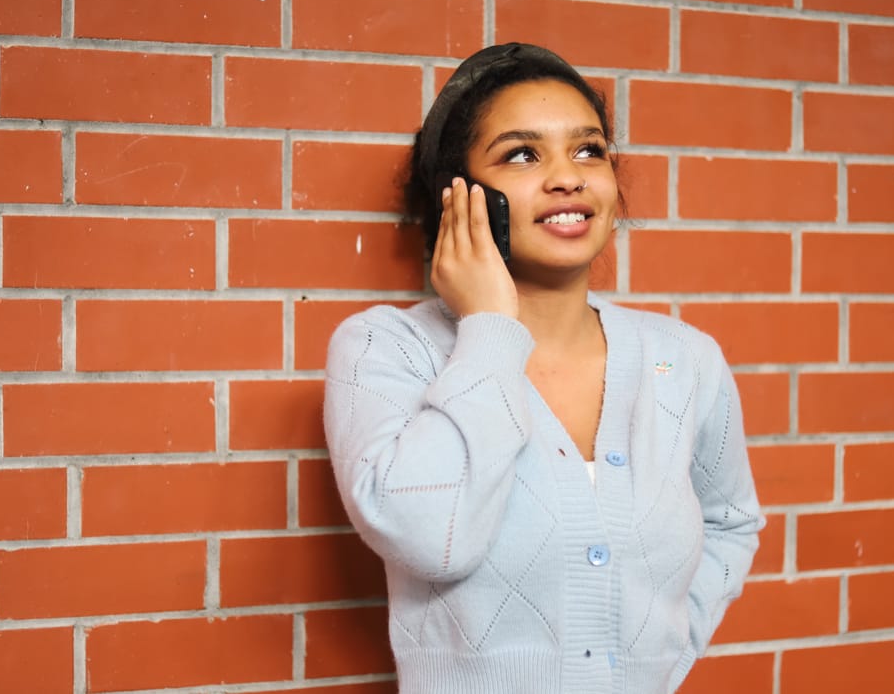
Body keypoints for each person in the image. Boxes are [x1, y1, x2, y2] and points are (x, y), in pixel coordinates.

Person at [323, 43, 763, 694]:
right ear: (458, 195)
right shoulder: (384, 350)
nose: (568, 176)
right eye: (522, 154)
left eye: (588, 149)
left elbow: (732, 522)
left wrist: (663, 652)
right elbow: (429, 538)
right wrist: (490, 328)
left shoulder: (685, 359)